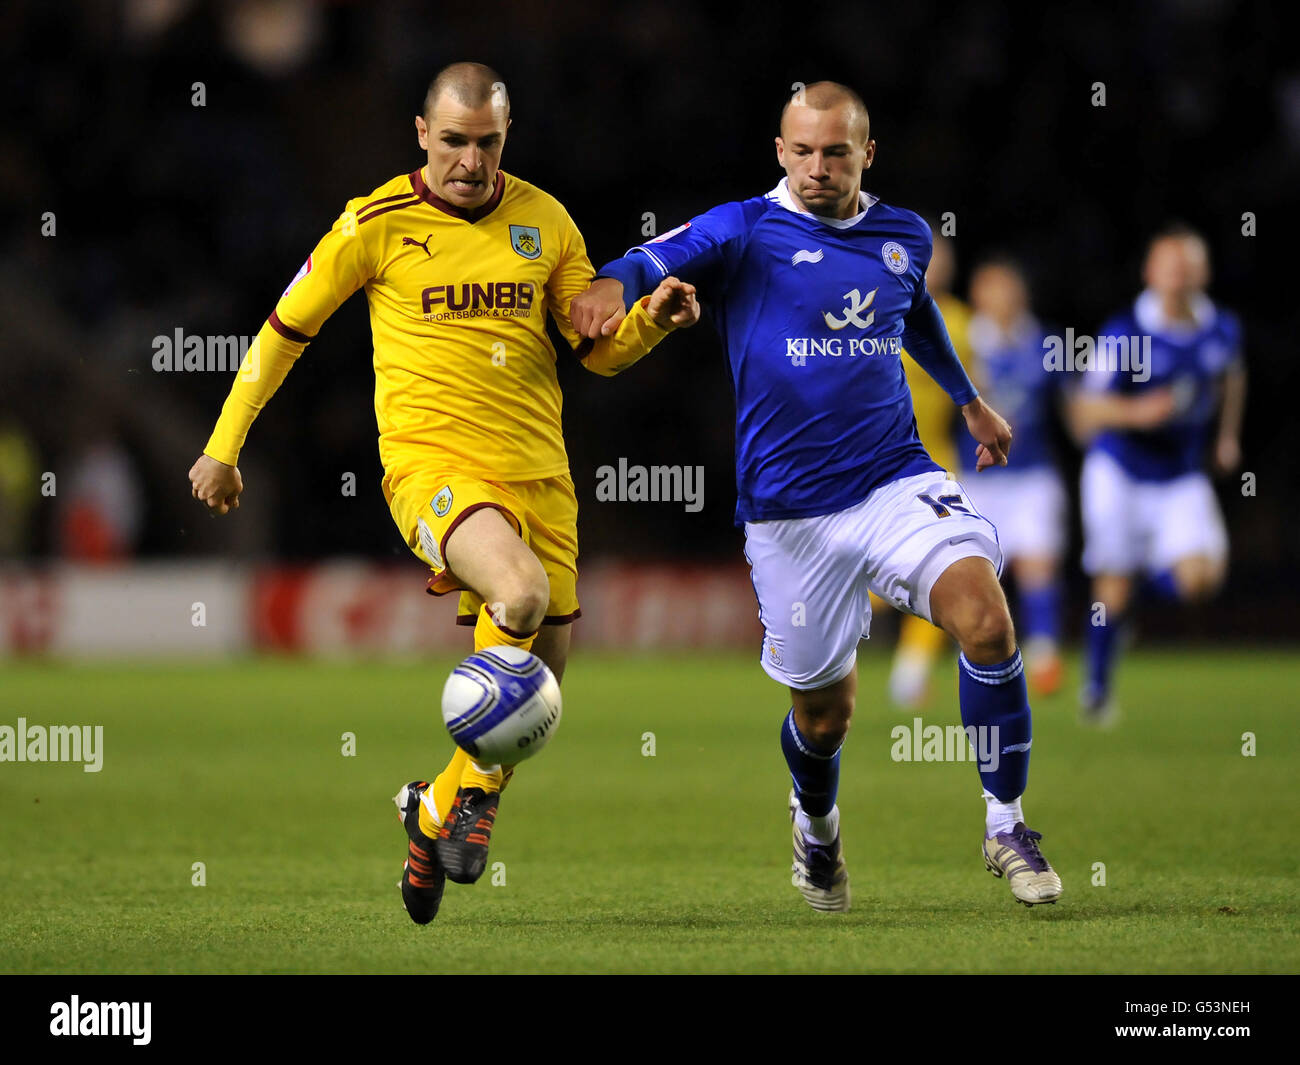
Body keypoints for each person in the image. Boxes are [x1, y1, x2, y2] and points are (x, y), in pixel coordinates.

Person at [188, 62, 698, 925]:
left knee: (540, 697)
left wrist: (647, 322)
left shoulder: (546, 222)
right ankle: (460, 797)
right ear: (423, 134)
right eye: (454, 140)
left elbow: (593, 348)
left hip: (543, 477)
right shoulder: (373, 224)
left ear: (507, 137)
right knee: (521, 593)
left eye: (487, 142)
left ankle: (437, 808)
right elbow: (284, 331)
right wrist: (223, 446)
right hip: (433, 467)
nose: (469, 159)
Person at [572, 82, 1062, 911]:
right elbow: (650, 256)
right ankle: (816, 822)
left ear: (867, 153)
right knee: (825, 714)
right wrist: (611, 288)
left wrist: (969, 398)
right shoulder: (746, 227)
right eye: (801, 151)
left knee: (984, 617)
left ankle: (1007, 822)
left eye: (836, 152)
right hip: (788, 514)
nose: (817, 168)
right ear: (780, 151)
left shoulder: (902, 234)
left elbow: (914, 317)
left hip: (893, 479)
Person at [1069, 226, 1244, 725]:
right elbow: (1085, 412)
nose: (1179, 275)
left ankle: (1129, 605)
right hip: (1120, 469)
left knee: (1201, 579)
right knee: (1112, 585)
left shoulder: (1221, 327)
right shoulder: (1126, 332)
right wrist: (1138, 413)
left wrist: (1227, 435)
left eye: (1188, 264)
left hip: (1180, 472)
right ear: (1150, 272)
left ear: (1203, 272)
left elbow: (1233, 375)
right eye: (1169, 264)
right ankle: (1096, 693)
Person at [960, 258, 1067, 696]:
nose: (999, 298)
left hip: (1032, 474)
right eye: (990, 288)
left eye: (1006, 288)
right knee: (971, 576)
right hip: (976, 476)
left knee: (1037, 564)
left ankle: (1044, 657)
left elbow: (1074, 404)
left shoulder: (1045, 343)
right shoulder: (960, 343)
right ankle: (971, 660)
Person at [885, 231, 972, 708]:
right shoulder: (872, 308)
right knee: (871, 578)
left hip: (935, 459)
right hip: (873, 458)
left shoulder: (961, 322)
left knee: (938, 567)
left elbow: (986, 383)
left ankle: (909, 674)